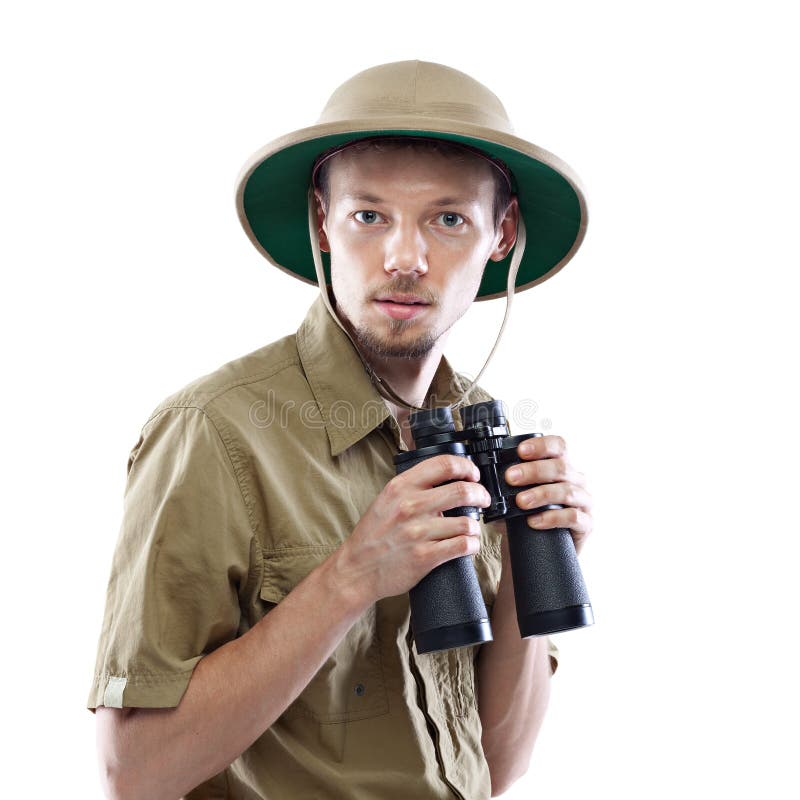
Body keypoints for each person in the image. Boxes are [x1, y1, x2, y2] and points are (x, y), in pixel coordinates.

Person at [88, 60, 594, 800]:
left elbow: (494, 767)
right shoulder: (214, 432)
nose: (405, 258)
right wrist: (354, 576)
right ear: (322, 221)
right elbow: (131, 774)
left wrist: (526, 574)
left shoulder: (479, 433)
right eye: (369, 215)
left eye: (448, 219)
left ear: (501, 234)